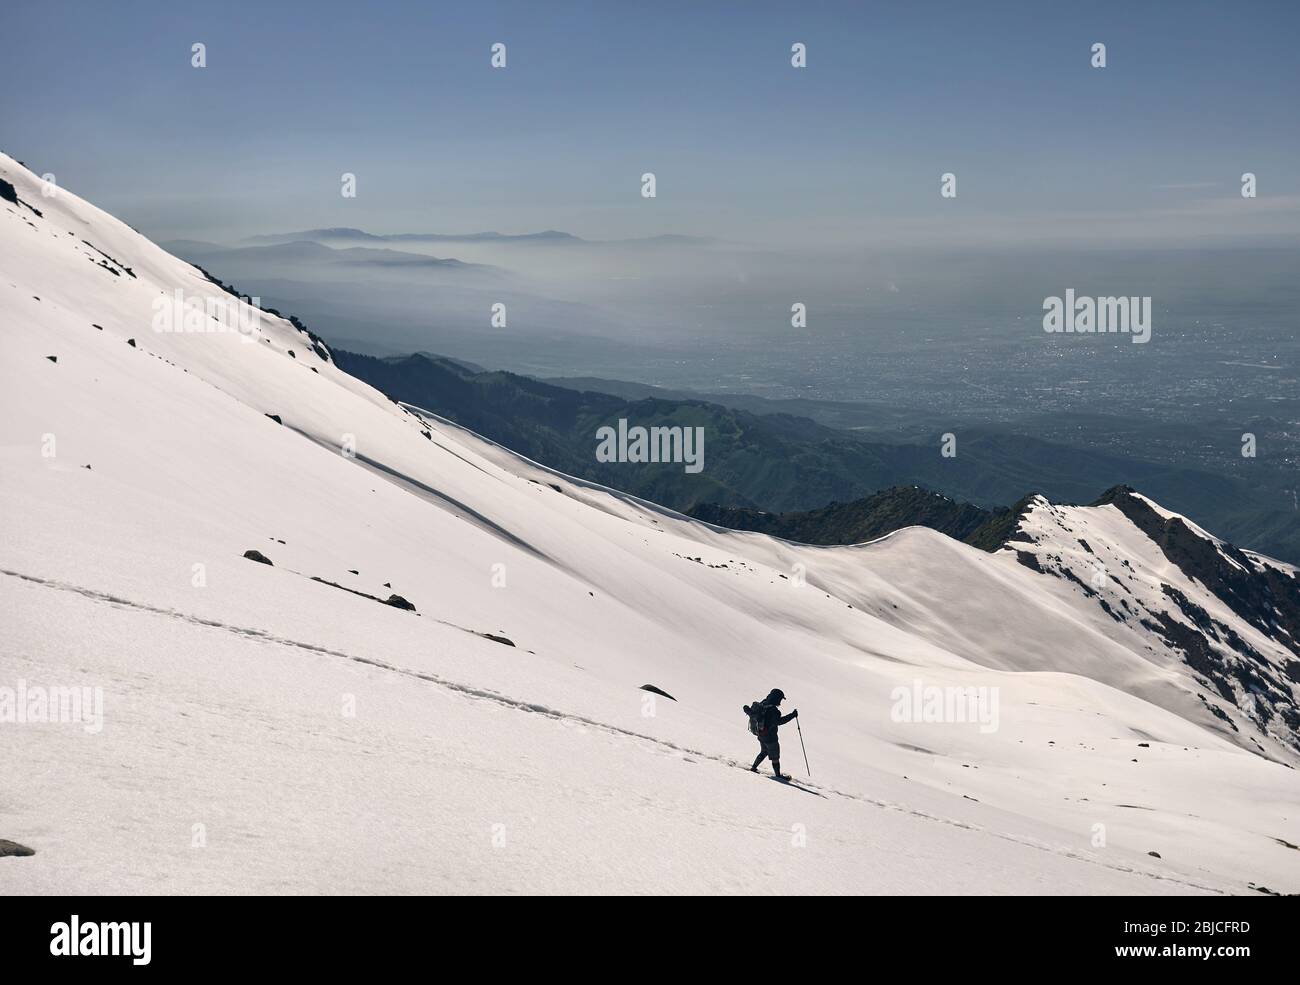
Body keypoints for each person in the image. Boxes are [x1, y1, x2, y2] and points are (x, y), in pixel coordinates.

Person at [743, 688, 798, 778]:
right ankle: (778, 776)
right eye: (780, 699)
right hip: (771, 738)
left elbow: (754, 714)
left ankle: (753, 767)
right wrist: (792, 715)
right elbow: (779, 722)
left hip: (760, 734)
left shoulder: (763, 703)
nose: (780, 701)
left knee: (764, 751)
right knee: (775, 757)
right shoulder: (773, 710)